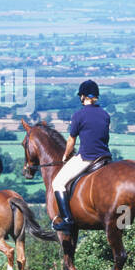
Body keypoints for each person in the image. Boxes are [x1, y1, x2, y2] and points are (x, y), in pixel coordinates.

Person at [51, 79, 112, 232]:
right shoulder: (105, 115)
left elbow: (71, 140)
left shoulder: (79, 115)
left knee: (57, 183)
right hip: (105, 157)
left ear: (83, 96)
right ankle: (124, 222)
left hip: (87, 157)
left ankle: (67, 219)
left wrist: (65, 156)